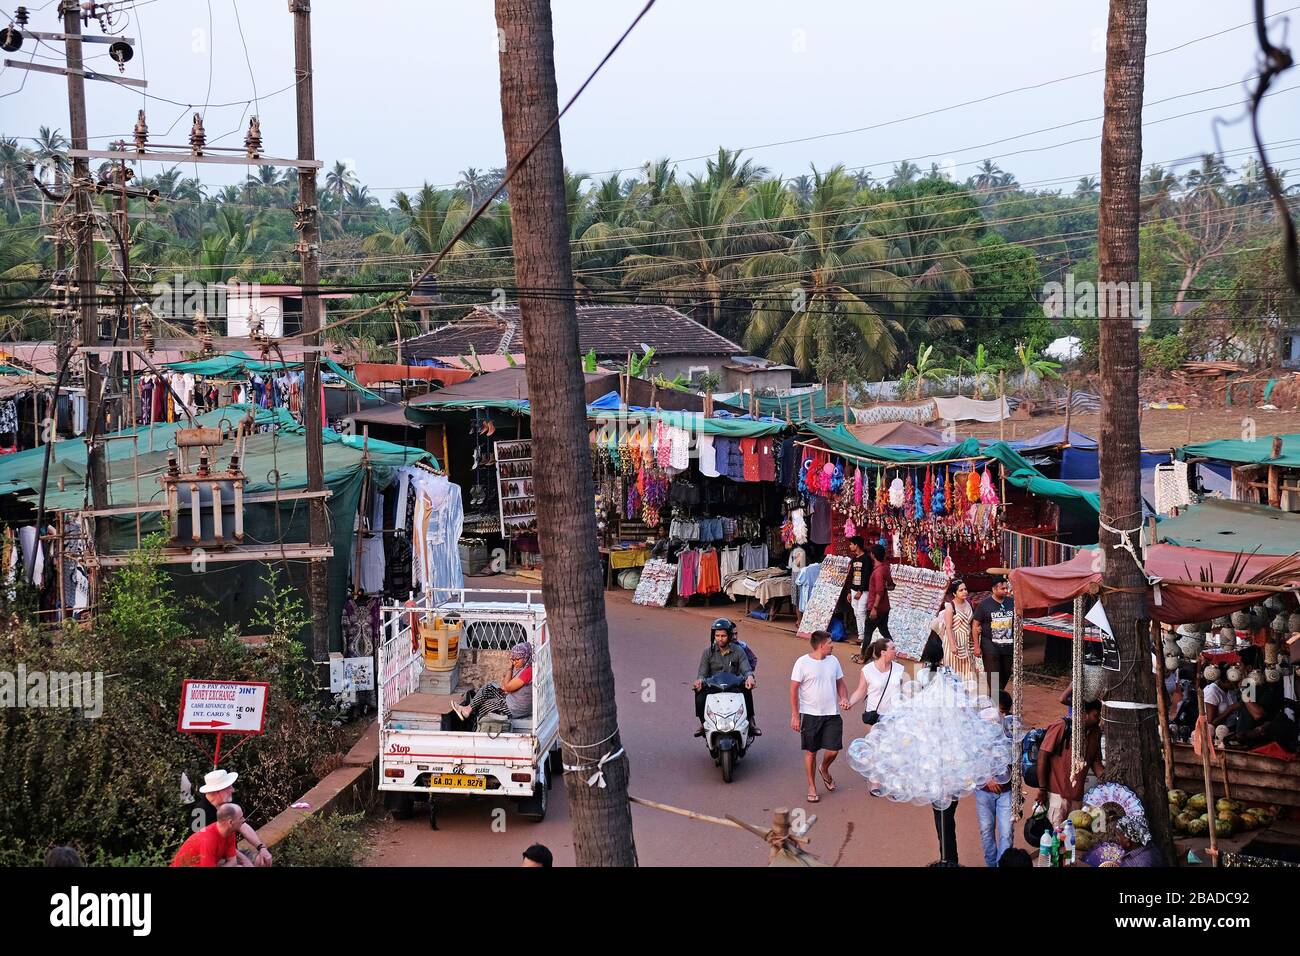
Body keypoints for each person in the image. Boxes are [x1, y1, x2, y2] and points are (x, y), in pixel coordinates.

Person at [790, 630, 848, 803]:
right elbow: (793, 689)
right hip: (810, 714)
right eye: (830, 642)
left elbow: (840, 684)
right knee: (811, 751)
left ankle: (824, 768)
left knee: (833, 749)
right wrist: (795, 715)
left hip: (832, 713)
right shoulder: (802, 663)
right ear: (821, 645)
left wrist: (844, 697)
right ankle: (812, 786)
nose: (833, 645)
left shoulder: (834, 661)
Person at [1035, 698, 1104, 826]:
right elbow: (1042, 755)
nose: (1098, 720)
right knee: (1055, 839)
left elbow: (1096, 762)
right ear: (1084, 714)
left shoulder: (1096, 733)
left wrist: (1109, 783)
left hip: (1077, 797)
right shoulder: (1061, 726)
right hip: (1057, 796)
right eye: (1095, 716)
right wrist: (1042, 788)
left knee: (1073, 841)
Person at [190, 768, 273, 866]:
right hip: (212, 858)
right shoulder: (199, 812)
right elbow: (202, 845)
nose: (232, 790)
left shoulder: (229, 802)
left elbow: (243, 825)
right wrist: (243, 860)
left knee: (262, 861)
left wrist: (261, 847)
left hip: (231, 854)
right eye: (229, 787)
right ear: (218, 791)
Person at [693, 618, 759, 736]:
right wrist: (699, 681)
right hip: (713, 687)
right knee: (699, 694)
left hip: (734, 686)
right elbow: (702, 673)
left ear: (729, 636)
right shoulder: (707, 653)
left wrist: (749, 677)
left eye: (723, 635)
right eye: (717, 635)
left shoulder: (739, 651)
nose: (720, 638)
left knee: (747, 691)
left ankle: (751, 721)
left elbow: (746, 669)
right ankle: (704, 723)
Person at [450, 641, 534, 729]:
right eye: (513, 659)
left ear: (526, 658)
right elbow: (505, 686)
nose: (514, 662)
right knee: (489, 688)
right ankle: (467, 709)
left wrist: (510, 669)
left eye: (518, 660)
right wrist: (510, 668)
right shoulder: (521, 668)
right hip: (510, 699)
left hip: (515, 708)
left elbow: (507, 687)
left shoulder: (528, 672)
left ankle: (475, 729)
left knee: (486, 705)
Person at [976, 691, 1015, 867]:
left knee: (1007, 833)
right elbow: (972, 758)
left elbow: (1016, 759)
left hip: (1007, 791)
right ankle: (991, 864)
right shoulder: (978, 730)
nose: (1002, 716)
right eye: (1000, 711)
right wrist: (988, 778)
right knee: (986, 831)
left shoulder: (1011, 728)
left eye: (1005, 712)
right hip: (984, 790)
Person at [845, 637, 904, 722]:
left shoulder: (900, 669)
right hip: (874, 715)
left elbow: (905, 691)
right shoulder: (867, 670)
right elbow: (860, 691)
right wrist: (850, 703)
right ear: (883, 652)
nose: (896, 650)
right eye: (893, 648)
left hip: (893, 715)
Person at [171, 803, 246, 867]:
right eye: (240, 818)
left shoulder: (230, 832)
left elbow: (233, 861)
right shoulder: (208, 839)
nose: (243, 820)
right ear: (230, 822)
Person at [972, 576, 1014, 690]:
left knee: (1005, 673)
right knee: (994, 676)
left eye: (1006, 588)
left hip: (1008, 646)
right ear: (994, 589)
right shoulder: (984, 605)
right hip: (990, 646)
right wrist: (976, 646)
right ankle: (997, 703)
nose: (1005, 591)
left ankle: (997, 698)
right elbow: (975, 625)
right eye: (1002, 589)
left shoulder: (1012, 602)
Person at [937, 578, 979, 688]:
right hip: (954, 640)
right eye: (961, 590)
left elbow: (971, 622)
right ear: (954, 593)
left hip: (966, 641)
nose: (965, 592)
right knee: (953, 669)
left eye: (965, 589)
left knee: (967, 670)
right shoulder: (950, 606)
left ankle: (966, 695)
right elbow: (949, 628)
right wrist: (952, 645)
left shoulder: (969, 603)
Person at [845, 537, 872, 647]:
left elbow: (866, 576)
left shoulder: (866, 559)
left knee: (861, 611)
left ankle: (866, 636)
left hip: (863, 590)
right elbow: (850, 576)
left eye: (851, 544)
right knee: (856, 612)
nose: (850, 546)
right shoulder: (854, 559)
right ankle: (860, 635)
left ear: (857, 545)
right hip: (853, 589)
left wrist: (860, 590)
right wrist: (848, 592)